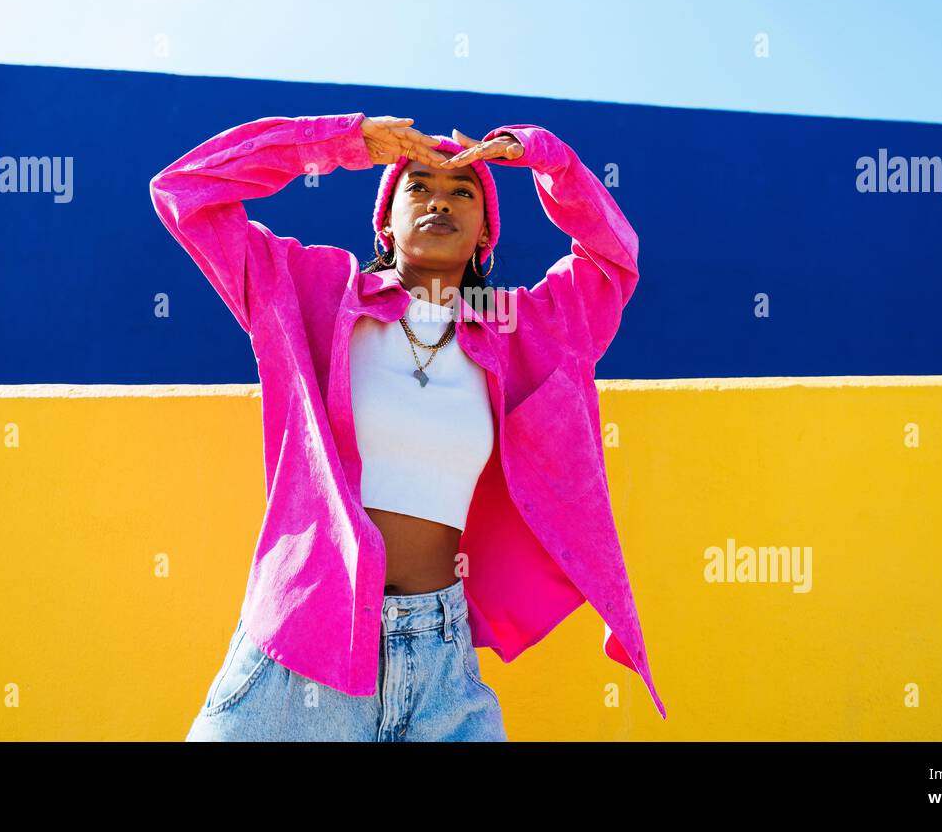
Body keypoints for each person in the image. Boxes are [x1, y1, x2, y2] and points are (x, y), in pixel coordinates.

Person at [150, 113, 666, 741]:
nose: (439, 201)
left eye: (462, 191)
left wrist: (544, 156)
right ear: (385, 223)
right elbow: (186, 191)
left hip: (440, 662)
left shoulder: (517, 327)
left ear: (484, 235)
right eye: (417, 187)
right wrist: (340, 142)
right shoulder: (316, 294)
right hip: (304, 653)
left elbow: (613, 261)